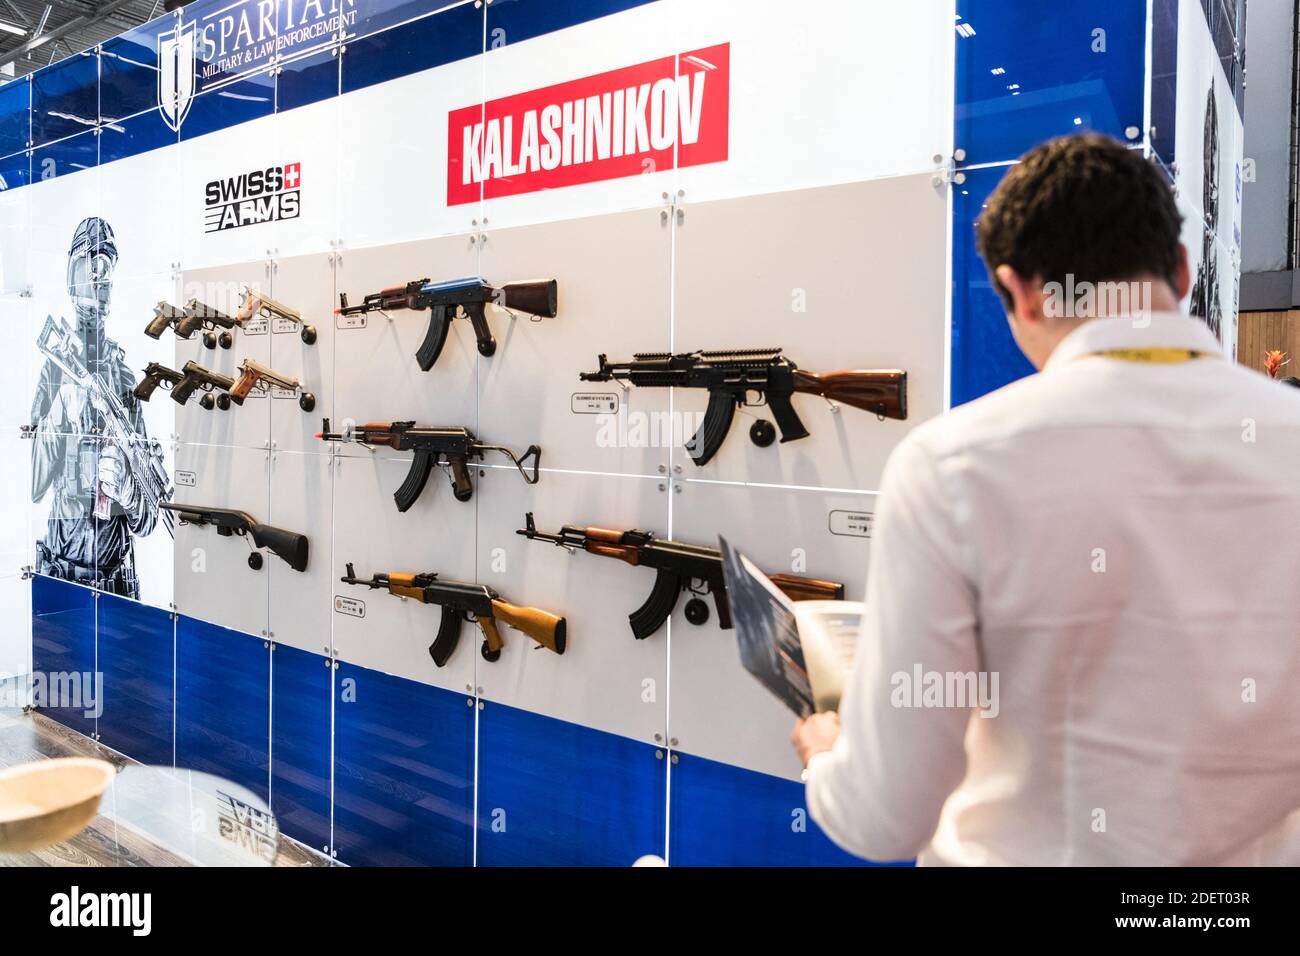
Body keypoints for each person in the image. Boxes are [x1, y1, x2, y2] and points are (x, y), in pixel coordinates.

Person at [792, 134, 1300, 866]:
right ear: (1184, 272)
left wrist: (826, 751)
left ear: (1020, 290)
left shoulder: (951, 467)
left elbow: (883, 819)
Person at [31, 217, 165, 599]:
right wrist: (60, 410)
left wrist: (127, 490)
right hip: (59, 577)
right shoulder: (53, 369)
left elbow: (149, 519)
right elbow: (34, 485)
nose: (97, 282)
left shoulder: (123, 379)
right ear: (71, 279)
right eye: (87, 269)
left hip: (116, 587)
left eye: (104, 273)